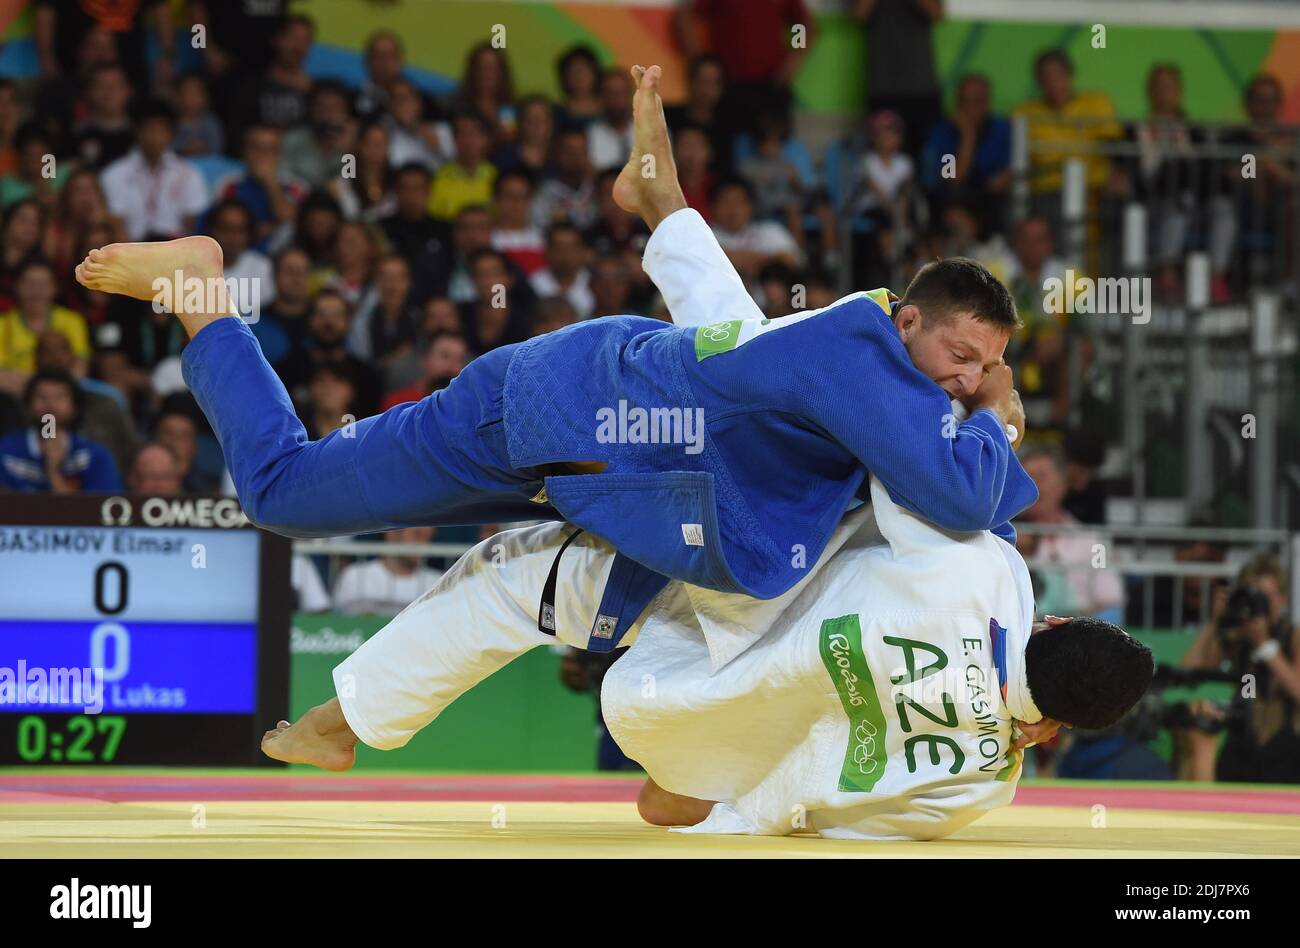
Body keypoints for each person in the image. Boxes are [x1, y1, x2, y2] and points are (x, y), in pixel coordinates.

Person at [74, 64, 1033, 610]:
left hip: (582, 439)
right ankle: (203, 295)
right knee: (282, 494)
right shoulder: (866, 358)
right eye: (961, 359)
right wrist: (999, 414)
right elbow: (957, 495)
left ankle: (653, 200)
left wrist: (666, 209)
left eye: (987, 366)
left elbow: (728, 325)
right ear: (908, 319)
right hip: (538, 409)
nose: (969, 382)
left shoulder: (857, 351)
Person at [262, 477, 1152, 840]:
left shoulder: (982, 573)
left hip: (694, 588)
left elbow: (905, 464)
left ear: (1055, 625)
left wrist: (990, 419)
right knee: (699, 778)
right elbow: (847, 826)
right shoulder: (983, 787)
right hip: (690, 719)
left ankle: (336, 727)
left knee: (502, 577)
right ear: (1060, 729)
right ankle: (700, 775)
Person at [0, 368, 121, 493]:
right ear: (28, 405)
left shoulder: (94, 456)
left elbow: (98, 509)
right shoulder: (6, 451)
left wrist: (54, 471)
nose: (50, 405)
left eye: (60, 397)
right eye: (41, 397)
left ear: (75, 407)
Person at [332, 527, 446, 616]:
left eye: (427, 538)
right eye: (416, 535)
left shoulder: (439, 581)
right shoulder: (355, 575)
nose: (422, 545)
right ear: (391, 533)